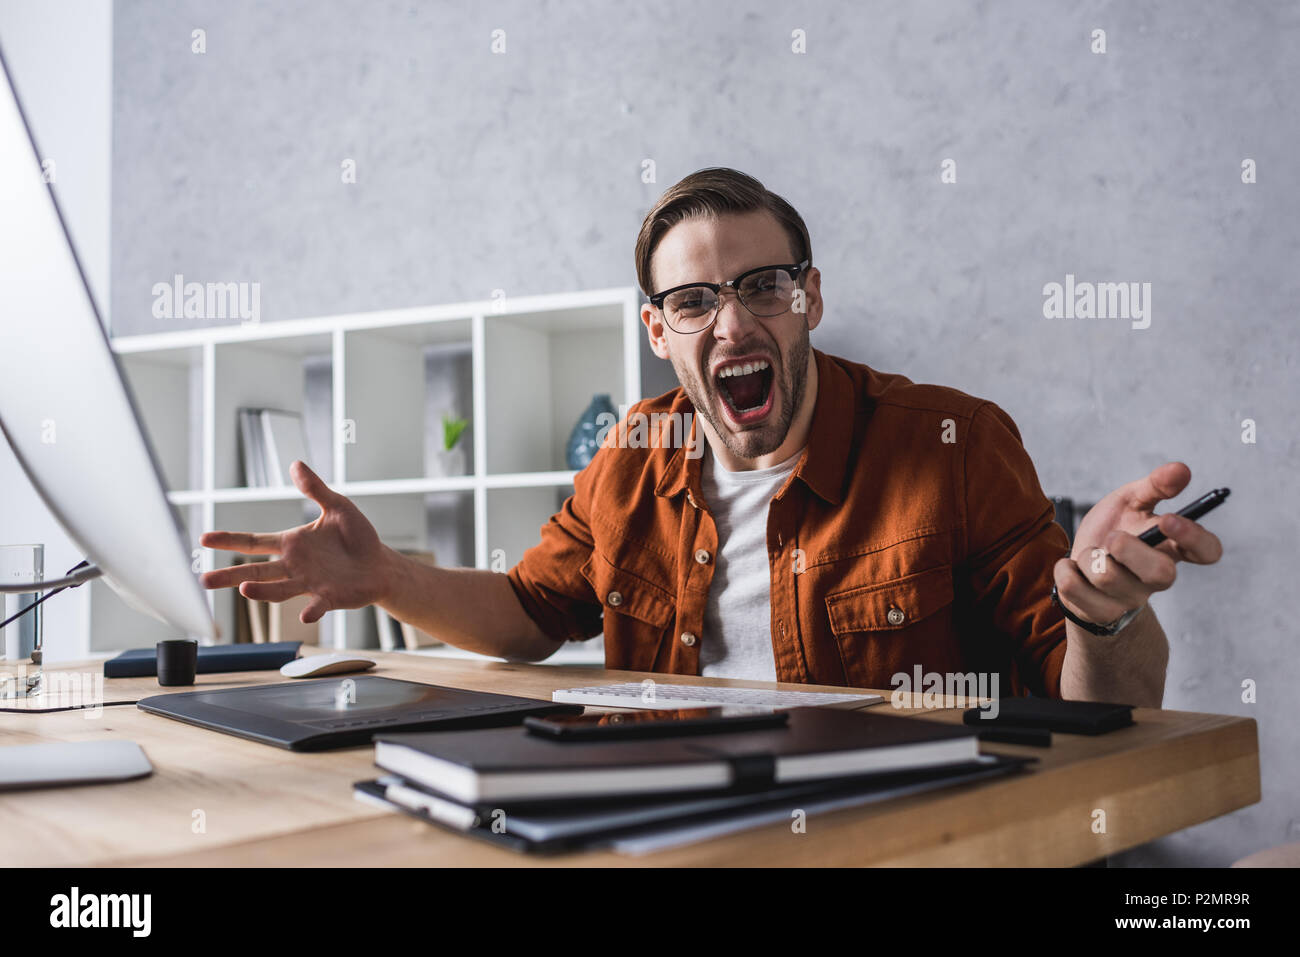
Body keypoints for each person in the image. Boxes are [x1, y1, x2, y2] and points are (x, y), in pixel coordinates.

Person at [201, 168, 1222, 706]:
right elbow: (531, 611)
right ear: (658, 333)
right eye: (693, 301)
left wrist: (1104, 615)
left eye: (762, 287)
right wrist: (383, 576)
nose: (733, 324)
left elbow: (1104, 711)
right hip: (675, 827)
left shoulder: (949, 444)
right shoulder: (631, 458)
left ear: (809, 298)